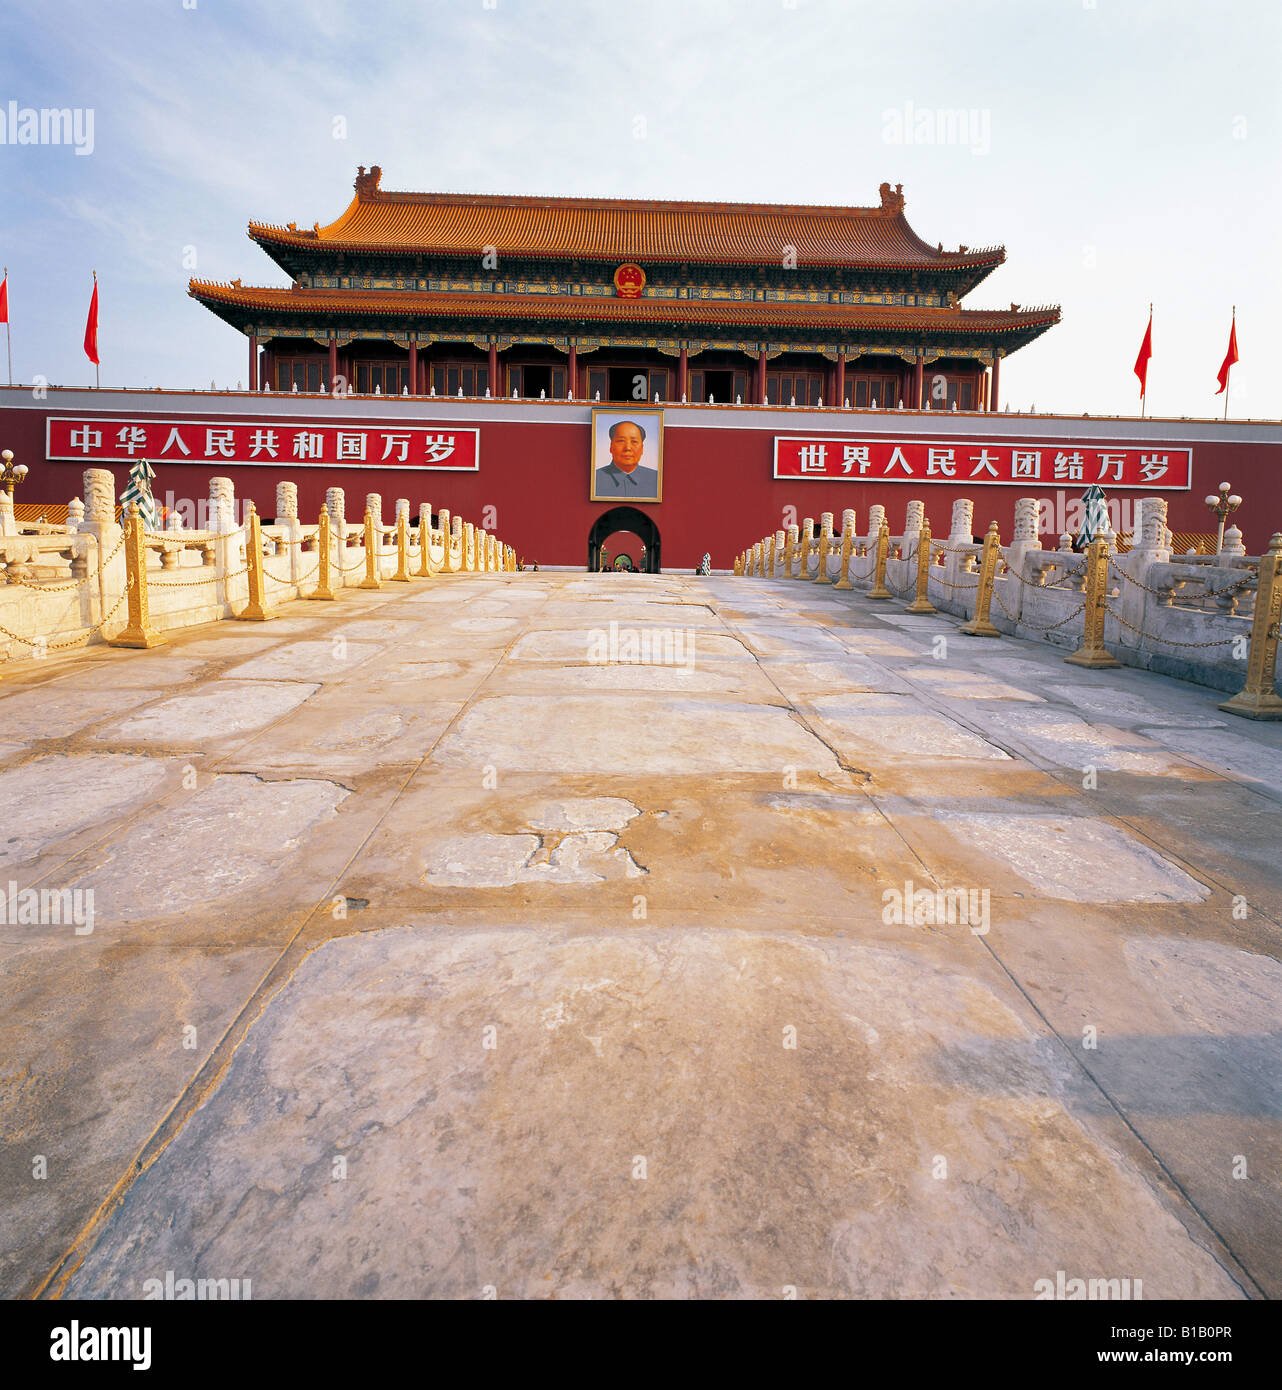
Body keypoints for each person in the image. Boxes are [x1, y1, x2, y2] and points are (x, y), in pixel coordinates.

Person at [595, 419, 659, 497]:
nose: (628, 448)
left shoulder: (656, 479)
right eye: (621, 441)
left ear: (642, 448)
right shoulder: (595, 479)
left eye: (634, 441)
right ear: (611, 447)